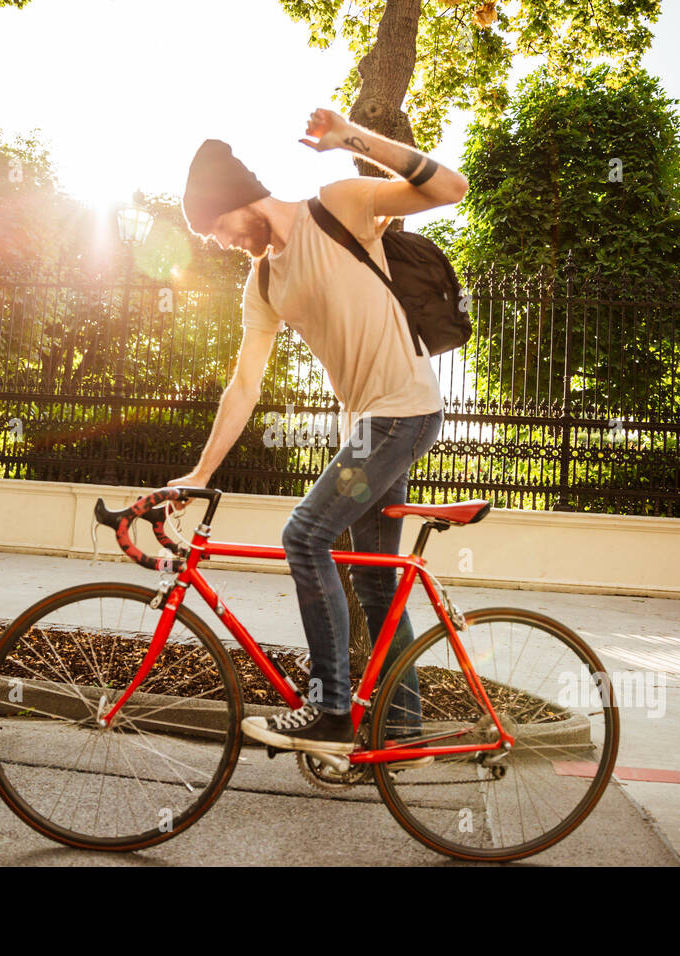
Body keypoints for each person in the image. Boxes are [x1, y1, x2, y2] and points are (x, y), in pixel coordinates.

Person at [169, 107, 466, 755]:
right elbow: (244, 386)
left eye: (214, 225)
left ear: (238, 199)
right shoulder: (263, 281)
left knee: (304, 536)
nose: (216, 241)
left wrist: (350, 140)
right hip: (370, 428)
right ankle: (403, 731)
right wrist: (200, 473)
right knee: (375, 579)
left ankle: (331, 707)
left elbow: (450, 187)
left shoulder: (338, 206)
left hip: (403, 412)